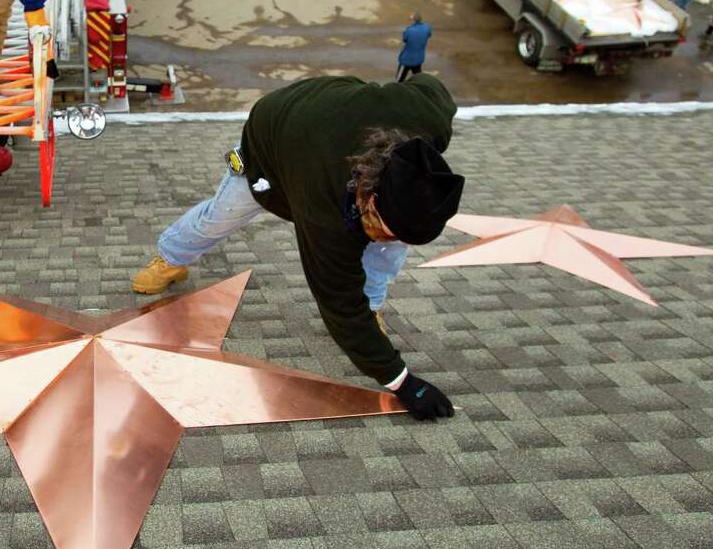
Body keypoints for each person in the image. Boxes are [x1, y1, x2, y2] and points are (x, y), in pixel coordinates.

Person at [130, 75, 465, 421]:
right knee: (217, 218)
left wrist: (368, 97)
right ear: (368, 195)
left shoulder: (428, 124)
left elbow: (432, 86)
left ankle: (374, 304)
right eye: (382, 227)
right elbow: (340, 303)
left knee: (385, 250)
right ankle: (171, 257)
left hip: (328, 117)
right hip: (270, 151)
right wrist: (404, 383)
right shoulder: (324, 209)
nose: (389, 237)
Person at [395, 13, 432, 83]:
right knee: (419, 79)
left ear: (413, 21)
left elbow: (405, 40)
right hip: (419, 58)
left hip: (406, 59)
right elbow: (429, 35)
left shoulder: (408, 30)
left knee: (399, 81)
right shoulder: (427, 28)